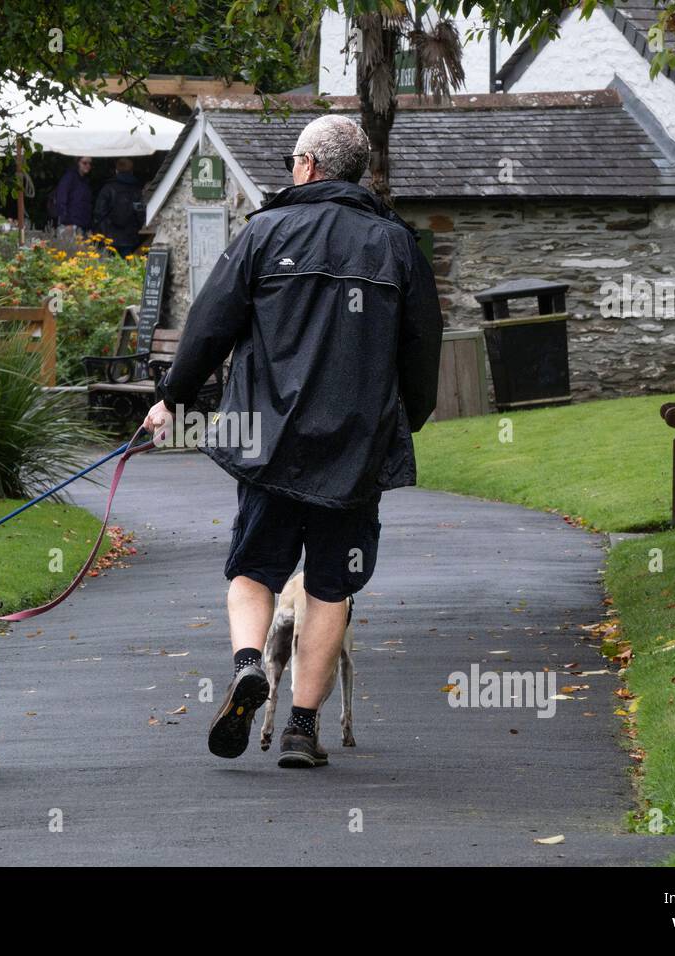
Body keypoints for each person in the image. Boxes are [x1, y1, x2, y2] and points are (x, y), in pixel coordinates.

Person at [142, 115, 443, 768]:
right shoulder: (397, 247)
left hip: (270, 443)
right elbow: (423, 352)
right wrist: (407, 420)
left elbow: (209, 326)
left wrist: (173, 396)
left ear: (307, 166)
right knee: (331, 587)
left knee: (254, 572)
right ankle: (302, 727)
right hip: (356, 453)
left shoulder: (265, 233)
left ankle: (251, 663)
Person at [93, 157, 145, 257]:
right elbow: (140, 213)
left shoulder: (108, 188)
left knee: (109, 268)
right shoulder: (136, 190)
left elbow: (99, 212)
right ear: (132, 171)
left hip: (109, 236)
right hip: (130, 237)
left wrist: (100, 230)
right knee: (126, 267)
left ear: (116, 171)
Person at [53, 155, 93, 238]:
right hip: (70, 225)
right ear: (78, 163)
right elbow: (61, 200)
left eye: (89, 163)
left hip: (82, 224)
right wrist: (66, 222)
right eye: (84, 163)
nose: (88, 166)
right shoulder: (69, 178)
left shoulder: (85, 180)